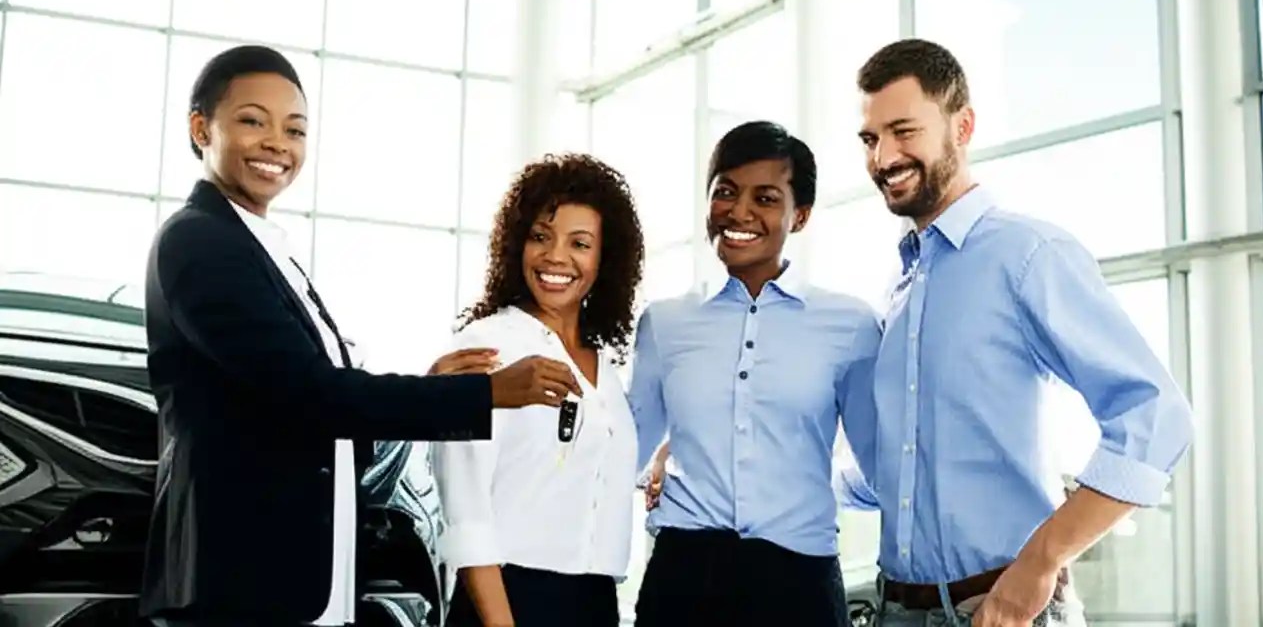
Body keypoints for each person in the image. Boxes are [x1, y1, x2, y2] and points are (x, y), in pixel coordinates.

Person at [141, 45, 581, 627]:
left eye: (295, 129)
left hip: (296, 583)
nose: (278, 143)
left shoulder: (263, 247)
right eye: (253, 121)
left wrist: (426, 388)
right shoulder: (200, 243)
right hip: (238, 584)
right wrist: (485, 394)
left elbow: (317, 416)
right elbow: (311, 394)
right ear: (202, 128)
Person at [851, 38, 1194, 627]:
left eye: (904, 131)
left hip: (1001, 608)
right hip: (895, 609)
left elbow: (1156, 417)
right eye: (870, 138)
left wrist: (1040, 562)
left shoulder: (1027, 255)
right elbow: (895, 467)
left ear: (963, 126)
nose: (883, 157)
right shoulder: (901, 283)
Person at [628, 121, 881, 627]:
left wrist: (806, 483)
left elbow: (882, 461)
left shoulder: (850, 325)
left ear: (800, 215)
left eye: (765, 198)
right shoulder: (665, 323)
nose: (739, 212)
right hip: (683, 579)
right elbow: (623, 450)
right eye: (724, 192)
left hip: (799, 584)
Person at [433, 154, 646, 627]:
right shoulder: (487, 347)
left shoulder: (606, 371)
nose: (556, 257)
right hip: (507, 601)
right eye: (540, 237)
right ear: (516, 244)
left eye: (580, 243)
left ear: (604, 259)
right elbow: (466, 514)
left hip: (594, 601)